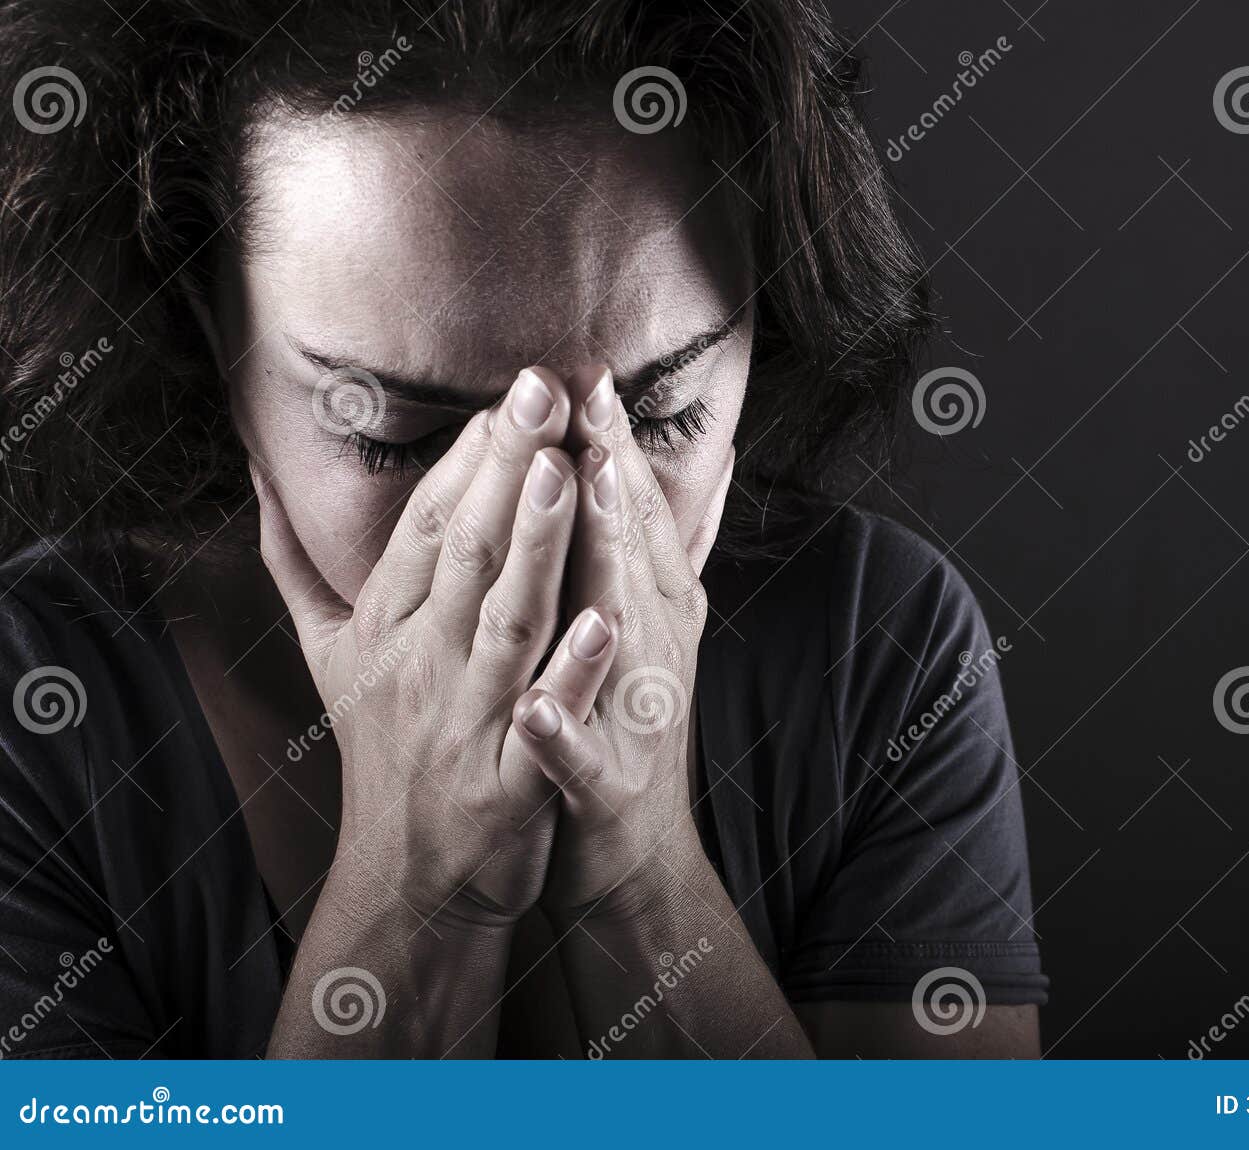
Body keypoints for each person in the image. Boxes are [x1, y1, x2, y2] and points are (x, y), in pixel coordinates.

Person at [0, 0, 1045, 1058]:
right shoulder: (38, 709)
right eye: (395, 434)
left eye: (658, 412)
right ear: (209, 329)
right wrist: (418, 891)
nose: (536, 524)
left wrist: (645, 875)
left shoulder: (876, 643)